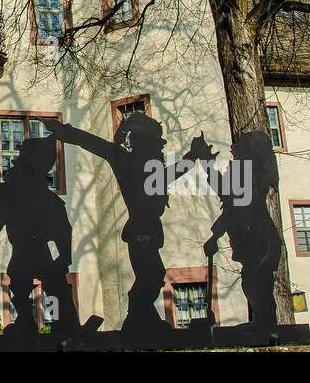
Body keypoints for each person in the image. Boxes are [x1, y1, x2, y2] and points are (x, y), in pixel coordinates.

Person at [47, 113, 208, 339]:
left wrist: (193, 156)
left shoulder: (148, 167)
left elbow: (173, 172)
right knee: (151, 276)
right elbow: (93, 143)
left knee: (151, 276)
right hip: (141, 231)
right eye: (155, 142)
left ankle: (141, 317)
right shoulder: (129, 161)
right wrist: (65, 132)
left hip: (147, 230)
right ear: (144, 142)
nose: (159, 148)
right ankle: (138, 317)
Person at [0, 137, 80, 339]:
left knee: (33, 286)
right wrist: (64, 256)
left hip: (30, 250)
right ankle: (50, 322)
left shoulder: (17, 193)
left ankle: (48, 322)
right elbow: (64, 229)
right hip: (30, 251)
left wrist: (64, 257)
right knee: (31, 286)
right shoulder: (36, 197)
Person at [198, 130, 281, 329]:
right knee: (254, 279)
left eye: (238, 148)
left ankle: (265, 324)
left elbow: (232, 206)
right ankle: (264, 323)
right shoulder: (247, 172)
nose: (233, 152)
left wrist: (214, 237)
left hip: (257, 237)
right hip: (256, 235)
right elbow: (228, 198)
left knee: (255, 280)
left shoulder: (246, 173)